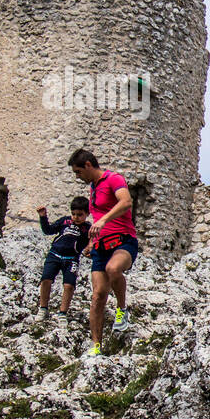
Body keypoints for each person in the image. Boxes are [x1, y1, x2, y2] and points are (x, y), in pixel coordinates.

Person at [68, 149, 139, 358]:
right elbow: (98, 218)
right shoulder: (93, 187)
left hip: (123, 241)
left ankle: (122, 309)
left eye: (78, 172)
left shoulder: (113, 179)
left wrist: (103, 220)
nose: (77, 176)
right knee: (98, 295)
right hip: (101, 247)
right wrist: (91, 242)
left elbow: (126, 202)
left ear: (88, 165)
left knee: (113, 268)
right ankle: (96, 346)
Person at [35, 196, 91, 322]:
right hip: (54, 255)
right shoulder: (64, 221)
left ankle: (62, 313)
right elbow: (48, 230)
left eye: (80, 215)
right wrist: (43, 217)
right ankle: (43, 308)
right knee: (45, 280)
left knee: (69, 285)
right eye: (73, 214)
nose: (76, 217)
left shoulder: (88, 228)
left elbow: (91, 243)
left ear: (87, 214)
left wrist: (89, 249)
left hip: (71, 259)